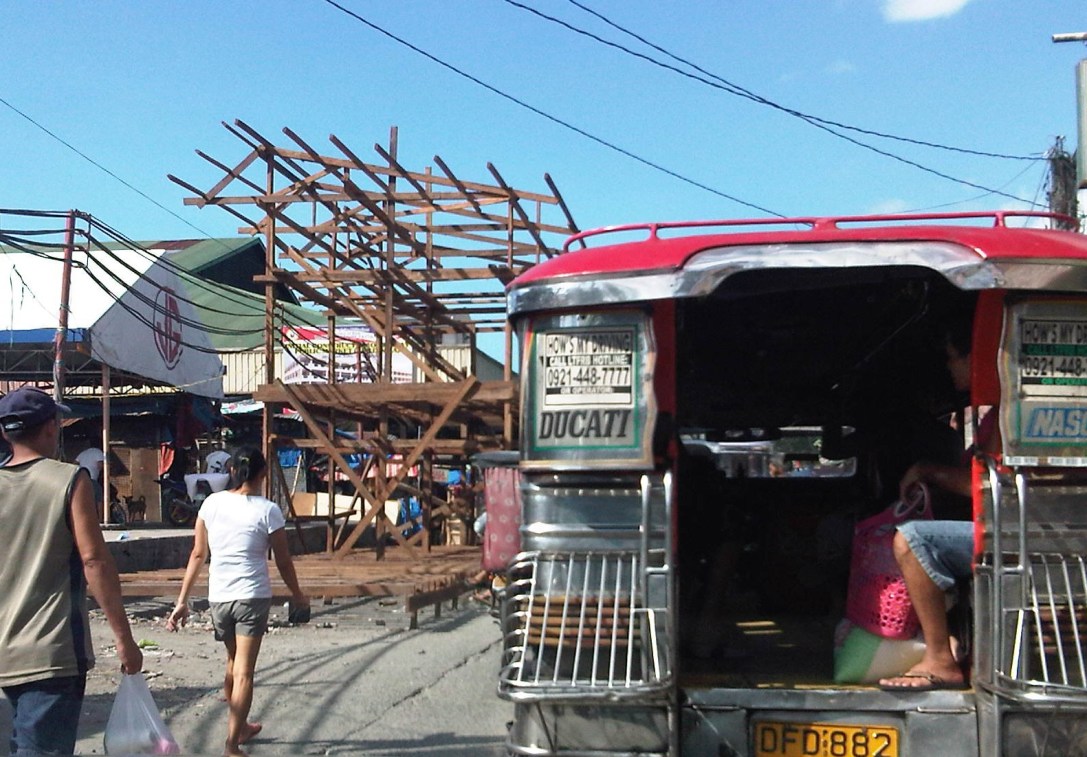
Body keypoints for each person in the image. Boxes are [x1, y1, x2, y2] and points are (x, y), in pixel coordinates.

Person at [0, 386, 143, 755]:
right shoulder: (70, 480)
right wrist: (124, 640)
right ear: (51, 427)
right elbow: (94, 561)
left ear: (6, 433)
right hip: (52, 653)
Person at [878, 320, 999, 692]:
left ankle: (940, 660)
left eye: (953, 358)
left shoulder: (1002, 418)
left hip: (1013, 534)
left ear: (975, 359)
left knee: (913, 540)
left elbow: (988, 489)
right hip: (1008, 529)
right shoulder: (993, 414)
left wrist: (930, 472)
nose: (951, 368)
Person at [166, 445, 309, 757]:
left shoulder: (211, 504)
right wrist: (298, 595)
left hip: (219, 598)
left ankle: (241, 727)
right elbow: (283, 561)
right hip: (251, 597)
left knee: (232, 663)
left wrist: (182, 601)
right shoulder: (268, 510)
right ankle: (232, 745)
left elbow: (198, 554)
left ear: (231, 471)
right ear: (261, 474)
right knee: (244, 671)